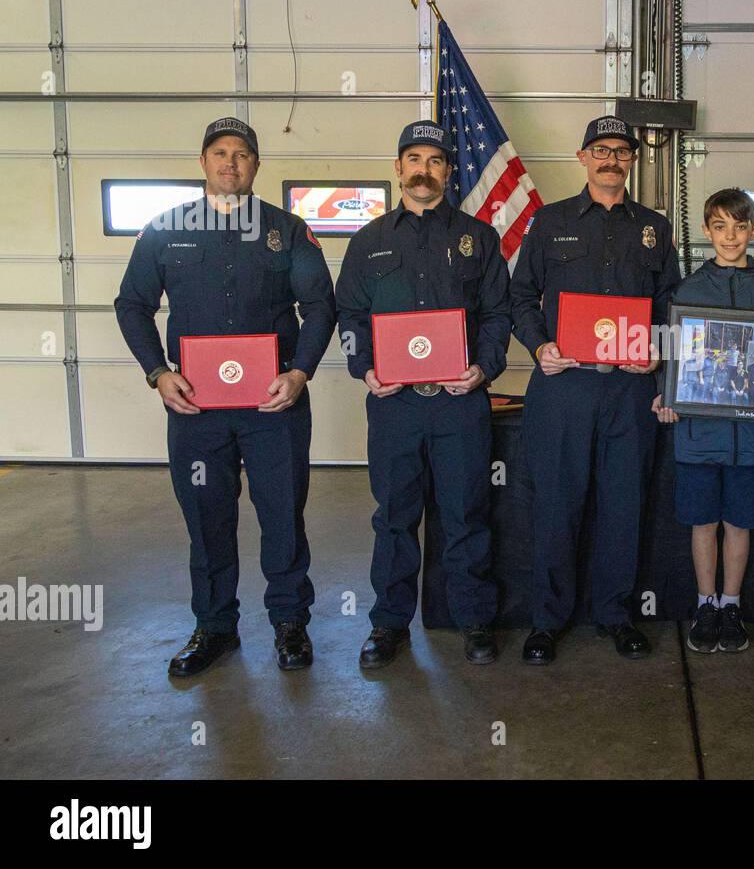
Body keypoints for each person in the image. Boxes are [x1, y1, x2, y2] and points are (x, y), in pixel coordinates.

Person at [114, 116, 336, 677]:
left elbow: (320, 306)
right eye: (220, 152)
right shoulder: (165, 230)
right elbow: (132, 305)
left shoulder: (286, 229)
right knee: (207, 518)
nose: (230, 163)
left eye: (242, 154)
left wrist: (301, 372)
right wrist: (157, 374)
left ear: (256, 165)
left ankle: (289, 624)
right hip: (196, 409)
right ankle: (214, 628)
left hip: (274, 404)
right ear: (203, 163)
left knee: (282, 515)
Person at [334, 120, 511, 669]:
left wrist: (484, 368)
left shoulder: (477, 238)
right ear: (399, 169)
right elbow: (350, 316)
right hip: (395, 406)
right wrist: (363, 368)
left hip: (460, 403)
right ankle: (389, 623)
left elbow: (499, 314)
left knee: (465, 513)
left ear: (448, 172)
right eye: (413, 159)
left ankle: (474, 618)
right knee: (394, 517)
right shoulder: (369, 242)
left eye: (435, 161)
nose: (423, 170)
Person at [509, 115, 681, 665]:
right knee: (557, 503)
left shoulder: (654, 227)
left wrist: (657, 349)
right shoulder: (549, 221)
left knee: (623, 505)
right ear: (582, 156)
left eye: (622, 152)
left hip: (630, 393)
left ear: (631, 161)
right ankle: (547, 620)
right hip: (565, 388)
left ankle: (615, 614)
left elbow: (672, 306)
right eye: (601, 150)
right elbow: (519, 299)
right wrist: (540, 348)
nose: (612, 159)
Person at [653, 188, 754, 653]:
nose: (730, 237)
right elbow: (673, 354)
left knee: (739, 524)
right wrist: (666, 395)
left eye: (739, 227)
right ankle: (705, 603)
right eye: (720, 227)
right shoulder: (687, 291)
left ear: (753, 231)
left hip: (751, 434)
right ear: (708, 232)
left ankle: (732, 603)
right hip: (698, 433)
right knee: (702, 524)